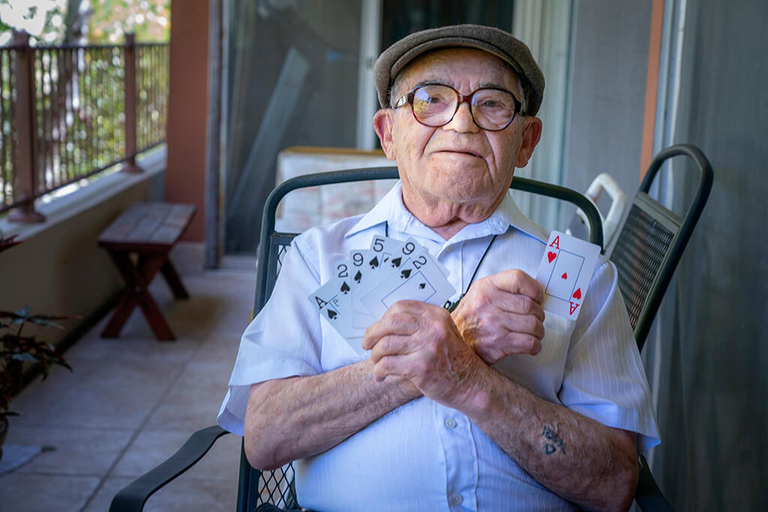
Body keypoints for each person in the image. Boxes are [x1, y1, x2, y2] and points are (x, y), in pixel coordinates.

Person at [218, 24, 660, 512]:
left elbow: (616, 482)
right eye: (430, 99)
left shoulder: (582, 273)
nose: (461, 125)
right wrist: (451, 346)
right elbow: (264, 439)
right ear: (388, 133)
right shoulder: (318, 255)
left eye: (491, 103)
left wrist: (469, 381)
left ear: (527, 140)